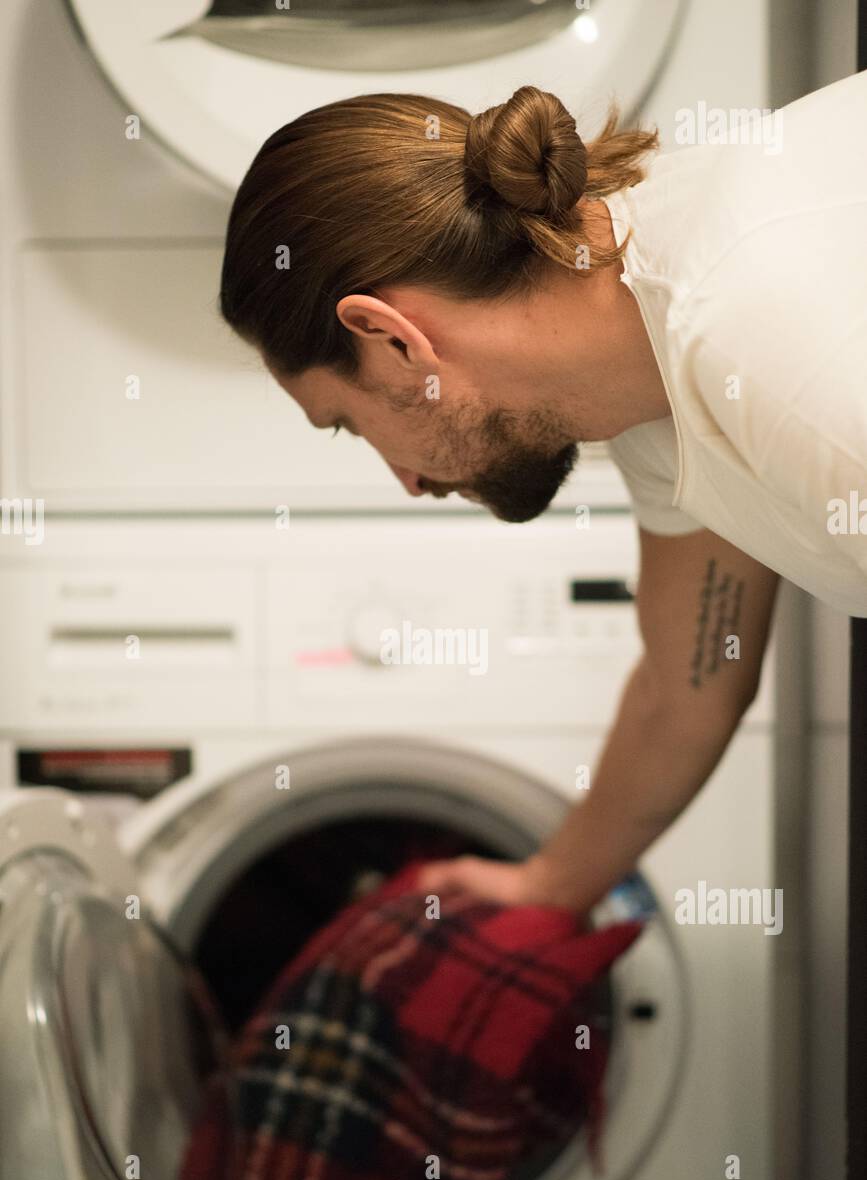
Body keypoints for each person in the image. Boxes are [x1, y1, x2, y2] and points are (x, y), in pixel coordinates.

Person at [218, 76, 867, 912]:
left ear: (388, 341)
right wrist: (550, 885)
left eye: (346, 423)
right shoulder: (638, 361)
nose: (409, 484)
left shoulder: (756, 343)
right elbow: (689, 681)